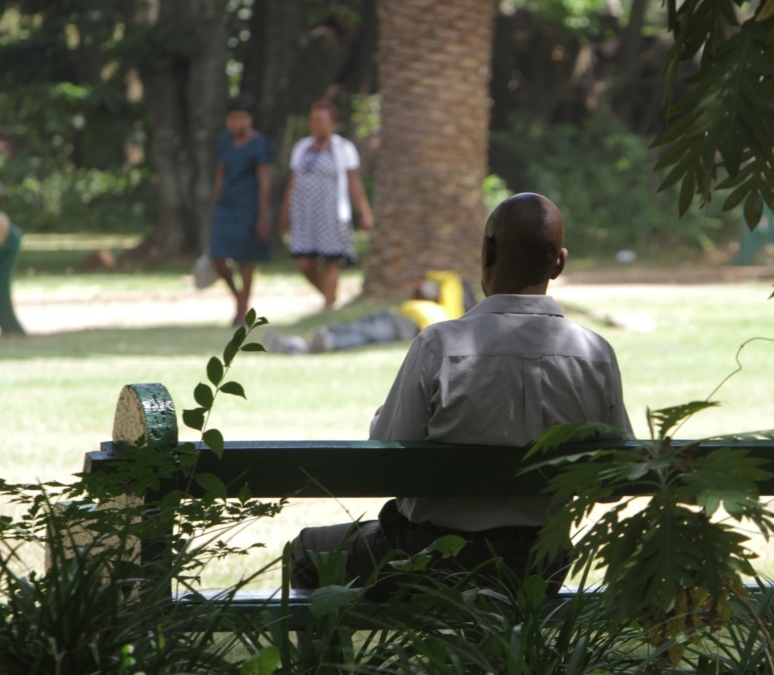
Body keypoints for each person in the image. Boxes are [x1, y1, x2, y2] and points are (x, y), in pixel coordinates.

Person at [288, 192, 633, 599]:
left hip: (431, 563)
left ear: (487, 250)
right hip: (538, 567)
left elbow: (387, 465)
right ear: (559, 262)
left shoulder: (440, 347)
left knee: (305, 553)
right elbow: (614, 479)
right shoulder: (594, 355)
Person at [279, 101, 374, 310]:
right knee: (305, 262)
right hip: (305, 215)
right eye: (312, 120)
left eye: (321, 121)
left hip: (331, 213)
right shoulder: (302, 148)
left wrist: (365, 213)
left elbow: (353, 184)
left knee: (332, 259)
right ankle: (329, 296)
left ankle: (328, 305)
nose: (315, 125)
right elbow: (293, 182)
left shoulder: (343, 149)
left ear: (333, 123)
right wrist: (285, 212)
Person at [262, 270, 475, 355]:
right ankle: (302, 344)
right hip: (395, 314)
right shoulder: (427, 305)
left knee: (366, 333)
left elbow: (446, 278)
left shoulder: (450, 302)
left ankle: (330, 343)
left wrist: (426, 275)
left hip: (407, 324)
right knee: (355, 327)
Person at [210, 93, 275, 326]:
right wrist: (217, 202)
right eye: (233, 118)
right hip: (227, 206)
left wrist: (263, 215)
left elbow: (264, 180)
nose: (237, 123)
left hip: (250, 206)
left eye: (241, 118)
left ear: (249, 119)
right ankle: (238, 298)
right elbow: (220, 173)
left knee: (246, 260)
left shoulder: (260, 144)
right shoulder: (224, 142)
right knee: (217, 256)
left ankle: (241, 310)